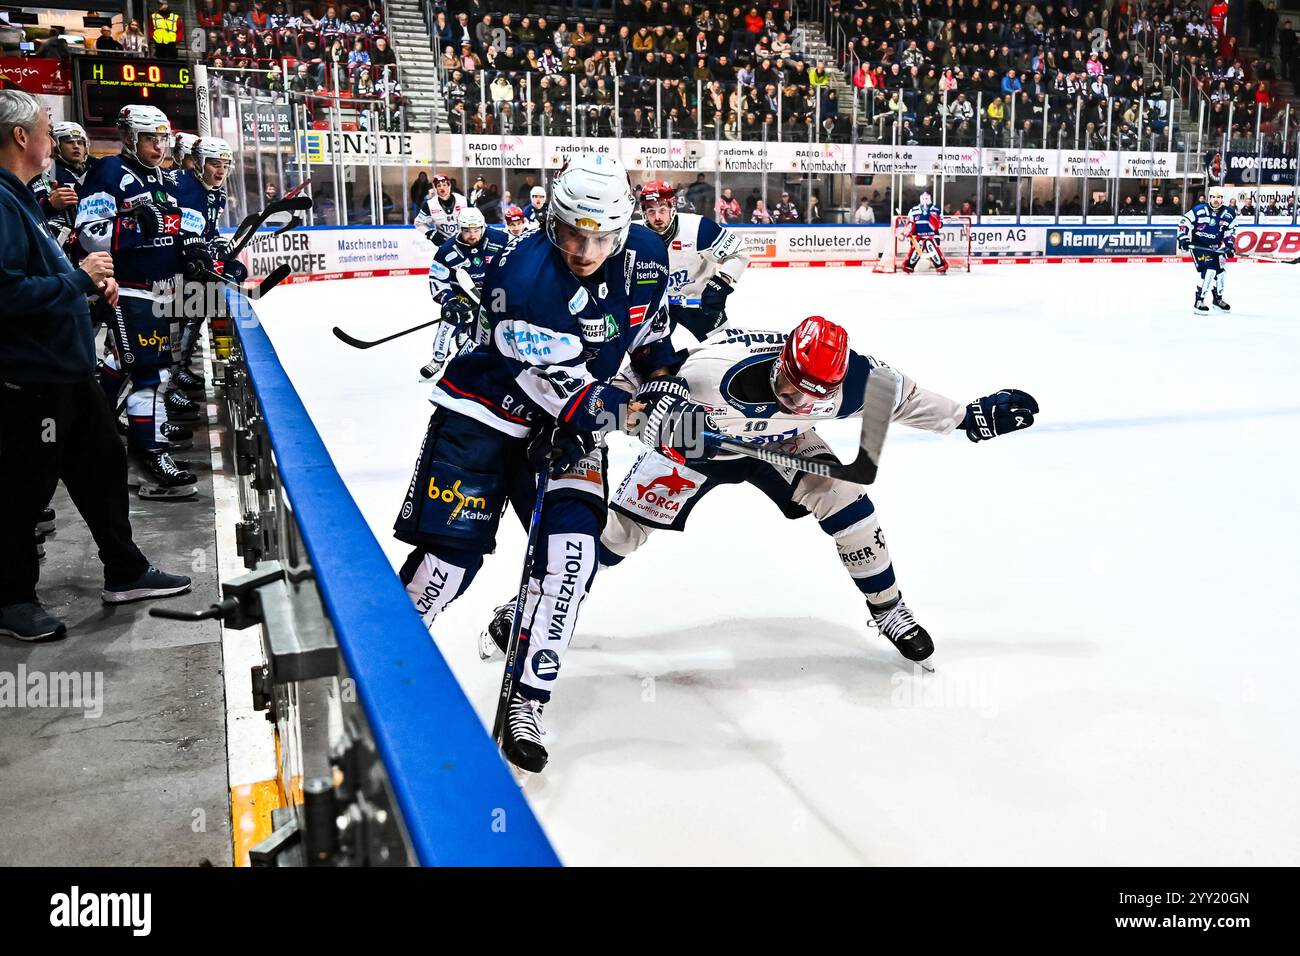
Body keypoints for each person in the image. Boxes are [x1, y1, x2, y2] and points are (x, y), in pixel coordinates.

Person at [484, 315, 1040, 672]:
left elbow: (908, 399)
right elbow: (629, 397)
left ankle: (889, 611)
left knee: (849, 504)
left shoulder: (856, 381)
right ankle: (533, 607)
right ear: (782, 363)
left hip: (782, 445)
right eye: (794, 387)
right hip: (693, 448)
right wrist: (588, 417)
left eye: (816, 395)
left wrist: (969, 417)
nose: (802, 399)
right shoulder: (705, 373)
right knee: (617, 534)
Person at [392, 153, 690, 774]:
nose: (584, 248)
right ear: (552, 220)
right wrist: (638, 417)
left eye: (599, 236)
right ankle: (382, 663)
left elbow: (647, 335)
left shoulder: (647, 256)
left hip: (574, 425)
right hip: (485, 419)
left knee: (573, 560)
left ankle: (528, 700)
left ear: (624, 226)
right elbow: (568, 395)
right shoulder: (524, 281)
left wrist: (663, 380)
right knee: (448, 564)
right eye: (571, 233)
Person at [0, 90, 192, 641]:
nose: (54, 141)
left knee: (103, 466)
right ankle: (10, 595)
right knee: (24, 488)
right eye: (45, 130)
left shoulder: (19, 199)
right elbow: (7, 292)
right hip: (33, 379)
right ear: (22, 138)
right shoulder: (2, 201)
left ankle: (125, 570)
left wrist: (83, 291)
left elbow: (47, 277)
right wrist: (80, 279)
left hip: (68, 370)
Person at [75, 104, 200, 497]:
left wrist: (194, 252)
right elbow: (90, 233)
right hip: (127, 286)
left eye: (162, 138)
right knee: (149, 374)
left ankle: (94, 425)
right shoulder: (111, 171)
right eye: (150, 138)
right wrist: (131, 226)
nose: (158, 146)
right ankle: (149, 454)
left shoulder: (160, 177)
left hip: (161, 287)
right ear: (129, 137)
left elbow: (172, 227)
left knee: (138, 366)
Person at [170, 136, 243, 399]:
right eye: (214, 163)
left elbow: (207, 231)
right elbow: (175, 227)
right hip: (169, 268)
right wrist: (192, 248)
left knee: (196, 313)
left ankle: (178, 369)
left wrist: (220, 249)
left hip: (190, 268)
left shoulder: (216, 193)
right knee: (172, 323)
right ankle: (170, 376)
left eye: (225, 164)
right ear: (200, 163)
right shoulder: (178, 184)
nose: (221, 169)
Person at [638, 180, 749, 340]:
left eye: (662, 210)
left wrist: (720, 284)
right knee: (650, 359)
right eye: (651, 211)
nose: (657, 218)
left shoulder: (699, 227)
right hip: (658, 306)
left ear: (672, 207)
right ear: (643, 213)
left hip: (700, 303)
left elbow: (739, 253)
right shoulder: (637, 235)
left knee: (722, 348)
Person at [419, 206, 508, 380]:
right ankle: (438, 359)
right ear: (460, 229)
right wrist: (449, 300)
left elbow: (516, 263)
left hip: (495, 293)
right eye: (467, 231)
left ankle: (463, 356)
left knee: (489, 328)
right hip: (464, 294)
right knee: (450, 317)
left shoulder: (501, 239)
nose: (472, 235)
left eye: (476, 230)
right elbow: (437, 281)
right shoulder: (447, 251)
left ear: (483, 227)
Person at [28, 122, 95, 249]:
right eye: (69, 142)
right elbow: (32, 208)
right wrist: (50, 204)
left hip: (95, 238)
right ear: (57, 145)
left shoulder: (97, 167)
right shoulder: (48, 170)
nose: (76, 147)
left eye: (80, 142)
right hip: (63, 243)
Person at [1177, 185, 1237, 313]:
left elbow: (1230, 232)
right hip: (1199, 245)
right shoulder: (1199, 209)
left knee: (1220, 273)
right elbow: (1184, 222)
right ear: (1210, 197)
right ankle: (1199, 300)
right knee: (1209, 270)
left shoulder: (1229, 214)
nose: (1216, 199)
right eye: (1214, 197)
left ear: (1223, 199)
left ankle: (1217, 299)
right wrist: (1183, 238)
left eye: (1219, 197)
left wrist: (1230, 245)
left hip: (1216, 247)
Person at [901, 191, 948, 274]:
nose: (925, 200)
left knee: (933, 250)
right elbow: (909, 223)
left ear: (930, 199)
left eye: (927, 198)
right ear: (920, 199)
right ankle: (908, 267)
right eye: (923, 198)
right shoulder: (913, 210)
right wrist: (908, 230)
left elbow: (941, 223)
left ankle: (941, 267)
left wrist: (937, 223)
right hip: (918, 236)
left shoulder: (936, 209)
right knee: (915, 251)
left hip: (931, 236)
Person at [414, 173, 467, 243]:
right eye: (439, 186)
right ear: (435, 188)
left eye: (444, 185)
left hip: (464, 242)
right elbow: (418, 223)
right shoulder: (430, 204)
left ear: (449, 186)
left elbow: (477, 217)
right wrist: (430, 234)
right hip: (444, 245)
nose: (442, 188)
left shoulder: (463, 200)